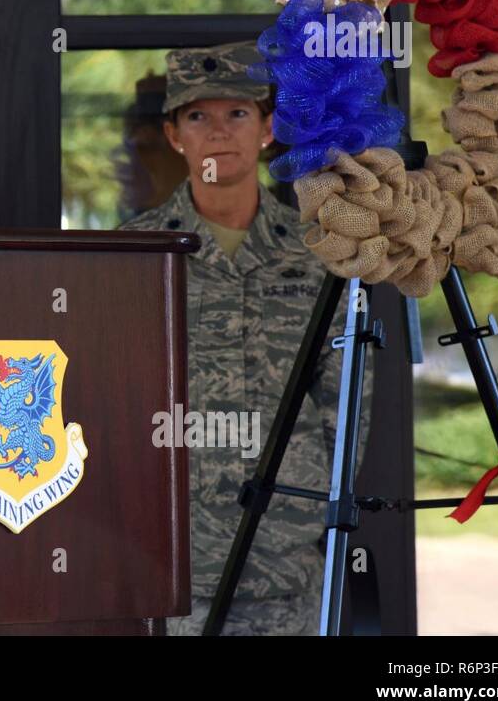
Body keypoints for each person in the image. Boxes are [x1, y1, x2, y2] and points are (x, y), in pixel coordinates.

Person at [121, 42, 370, 636]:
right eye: (198, 116)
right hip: (178, 558)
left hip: (287, 552)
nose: (218, 133)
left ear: (268, 128)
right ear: (175, 135)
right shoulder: (135, 254)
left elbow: (348, 403)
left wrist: (315, 507)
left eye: (236, 114)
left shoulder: (317, 250)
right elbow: (116, 402)